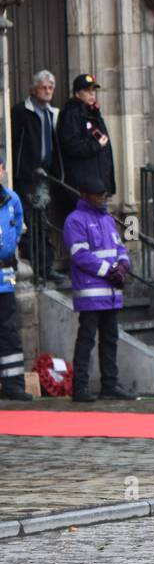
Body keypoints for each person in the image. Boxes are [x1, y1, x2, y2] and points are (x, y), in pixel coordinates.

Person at [64, 172, 134, 402]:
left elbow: (120, 248)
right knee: (87, 338)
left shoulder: (107, 219)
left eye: (104, 196)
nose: (102, 199)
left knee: (110, 338)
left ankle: (110, 384)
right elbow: (80, 255)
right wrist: (109, 271)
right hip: (91, 292)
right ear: (85, 195)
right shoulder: (75, 220)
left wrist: (123, 267)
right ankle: (80, 387)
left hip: (111, 292)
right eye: (98, 196)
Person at [11, 69, 65, 283]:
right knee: (27, 223)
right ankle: (33, 267)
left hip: (45, 177)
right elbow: (14, 143)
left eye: (51, 88)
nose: (48, 91)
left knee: (43, 223)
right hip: (25, 176)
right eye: (44, 87)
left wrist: (57, 173)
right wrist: (19, 170)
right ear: (33, 90)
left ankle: (46, 267)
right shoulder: (21, 111)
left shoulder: (52, 114)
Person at [57, 74, 116, 201]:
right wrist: (96, 145)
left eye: (93, 91)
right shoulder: (72, 113)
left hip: (98, 185)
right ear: (77, 94)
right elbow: (71, 146)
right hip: (84, 187)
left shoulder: (93, 113)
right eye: (87, 91)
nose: (92, 95)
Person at [0, 151, 29, 399]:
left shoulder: (12, 199)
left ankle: (14, 384)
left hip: (5, 276)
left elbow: (17, 226)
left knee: (8, 328)